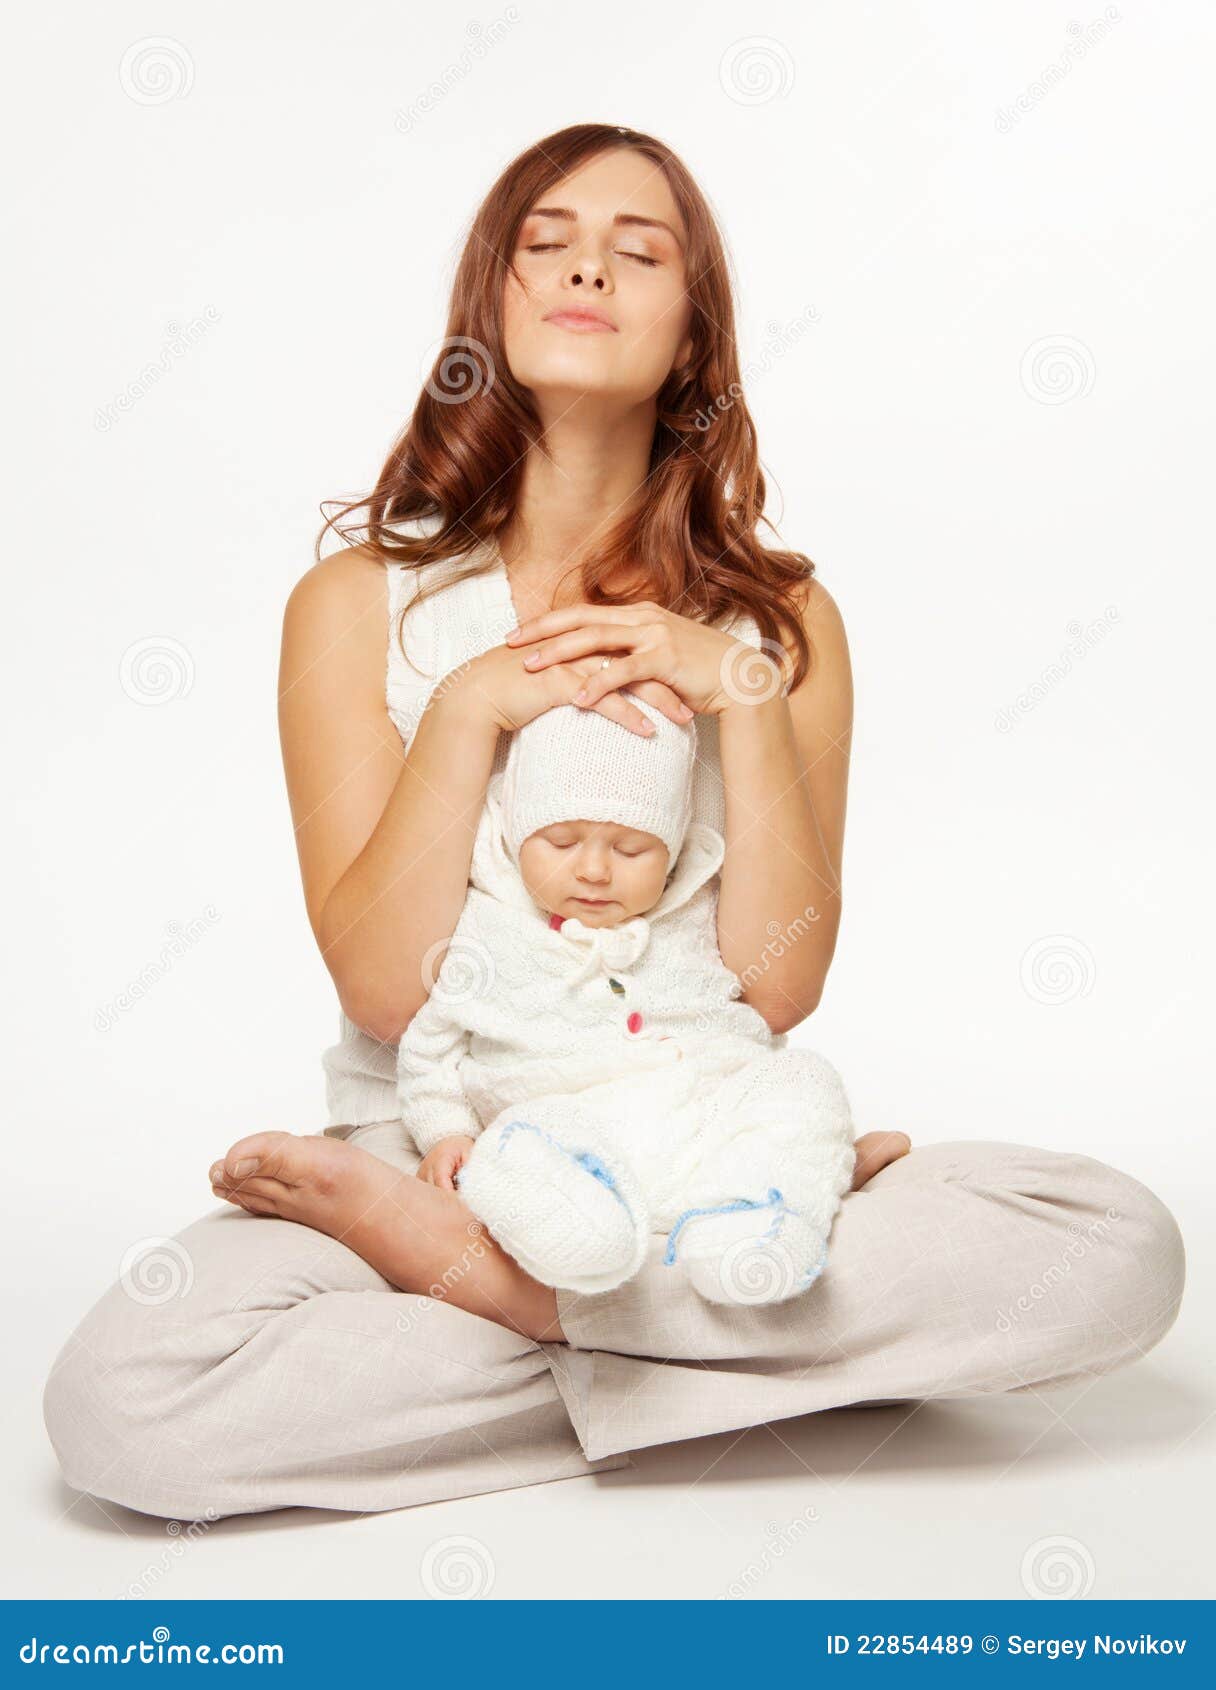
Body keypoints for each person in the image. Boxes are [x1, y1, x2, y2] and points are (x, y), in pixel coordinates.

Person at [41, 125, 1185, 1522]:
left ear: (692, 336)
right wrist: (468, 709)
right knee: (126, 1401)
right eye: (549, 243)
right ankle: (768, 1354)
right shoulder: (355, 607)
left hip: (698, 1151)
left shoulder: (785, 626)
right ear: (493, 301)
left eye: (639, 253)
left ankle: (531, 1304)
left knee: (1115, 1246)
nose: (588, 267)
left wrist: (740, 695)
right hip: (436, 1163)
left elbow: (776, 984)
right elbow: (388, 993)